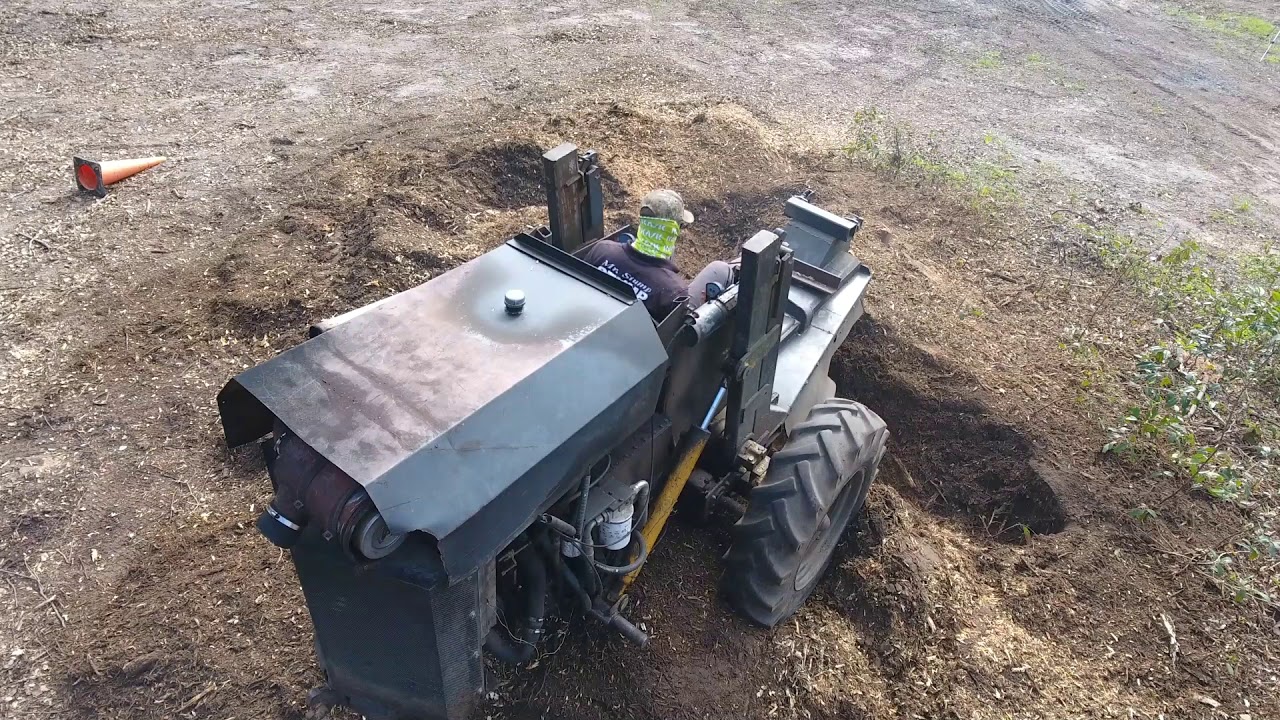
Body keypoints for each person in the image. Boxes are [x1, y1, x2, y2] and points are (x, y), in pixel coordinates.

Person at [580, 189, 734, 318]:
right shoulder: (673, 291)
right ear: (673, 230)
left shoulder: (602, 250)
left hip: (596, 321)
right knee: (720, 268)